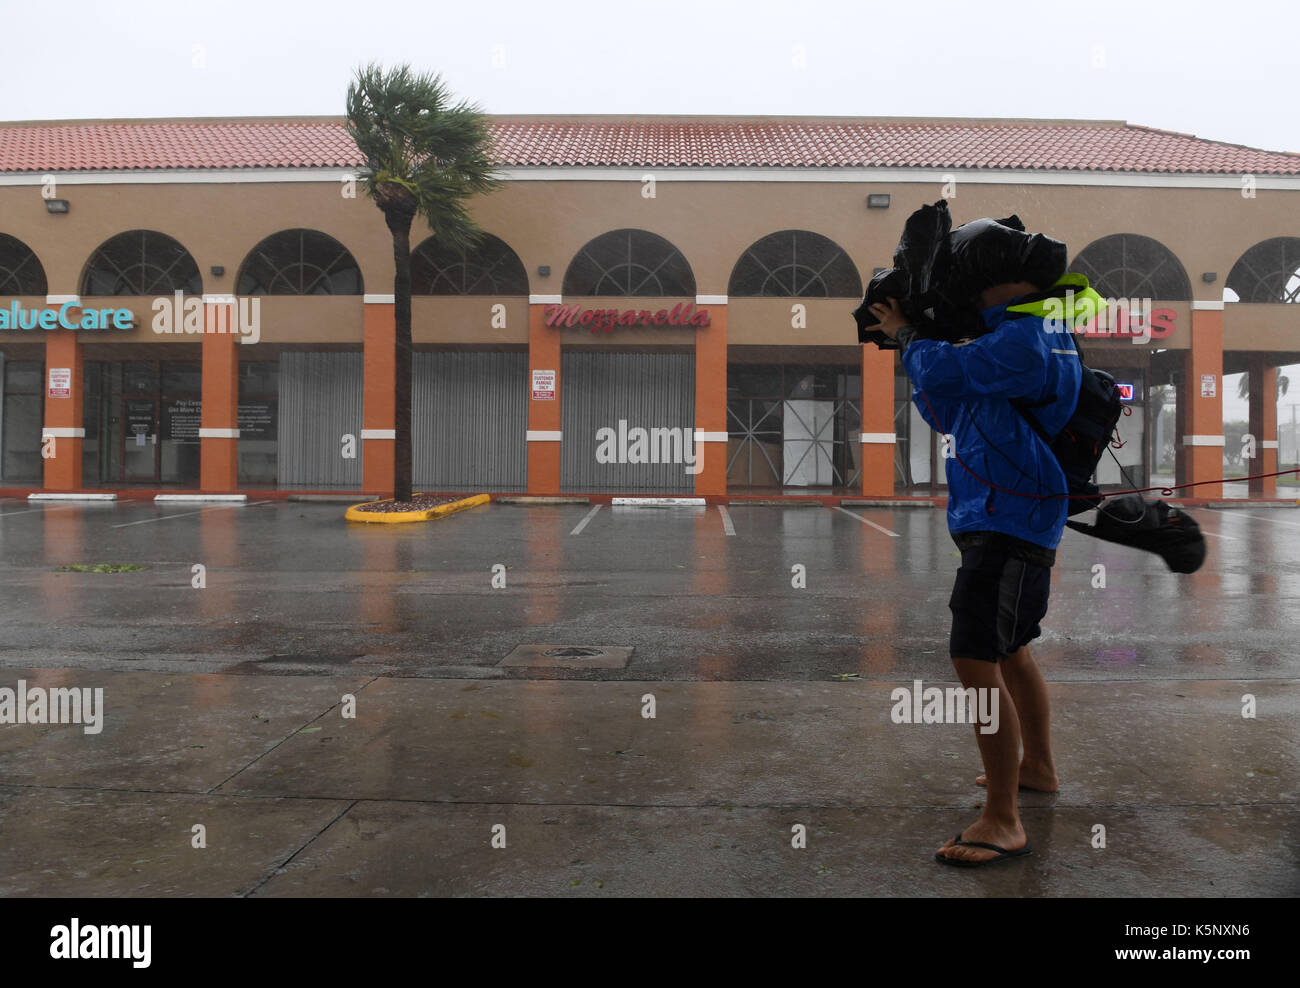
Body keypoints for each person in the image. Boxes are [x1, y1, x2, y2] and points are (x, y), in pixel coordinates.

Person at [868, 282, 1080, 867]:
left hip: (1010, 517)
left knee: (974, 652)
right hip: (996, 511)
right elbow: (943, 404)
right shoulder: (1003, 337)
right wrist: (925, 350)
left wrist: (912, 337)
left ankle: (1004, 821)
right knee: (1012, 649)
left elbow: (956, 370)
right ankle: (1036, 766)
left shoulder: (1025, 332)